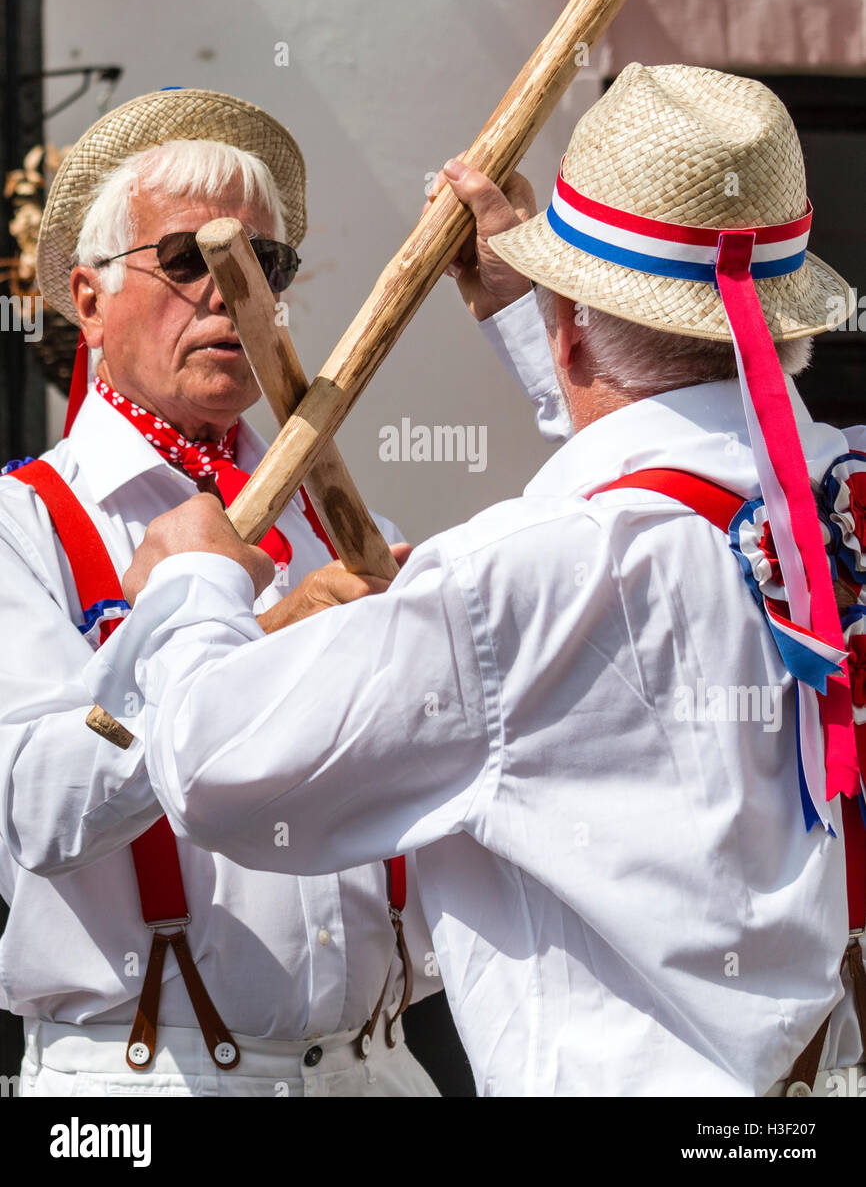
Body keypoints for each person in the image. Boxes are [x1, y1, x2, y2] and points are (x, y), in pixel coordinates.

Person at [87, 64, 866, 1095]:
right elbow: (678, 482)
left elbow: (219, 768)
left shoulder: (512, 579)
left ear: (574, 320)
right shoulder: (828, 503)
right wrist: (537, 320)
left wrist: (190, 583)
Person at [0, 87, 441, 1097]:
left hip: (381, 1065)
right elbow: (33, 806)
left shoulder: (333, 513)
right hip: (150, 1074)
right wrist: (256, 644)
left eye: (260, 267)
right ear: (90, 294)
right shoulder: (25, 525)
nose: (227, 294)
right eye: (189, 258)